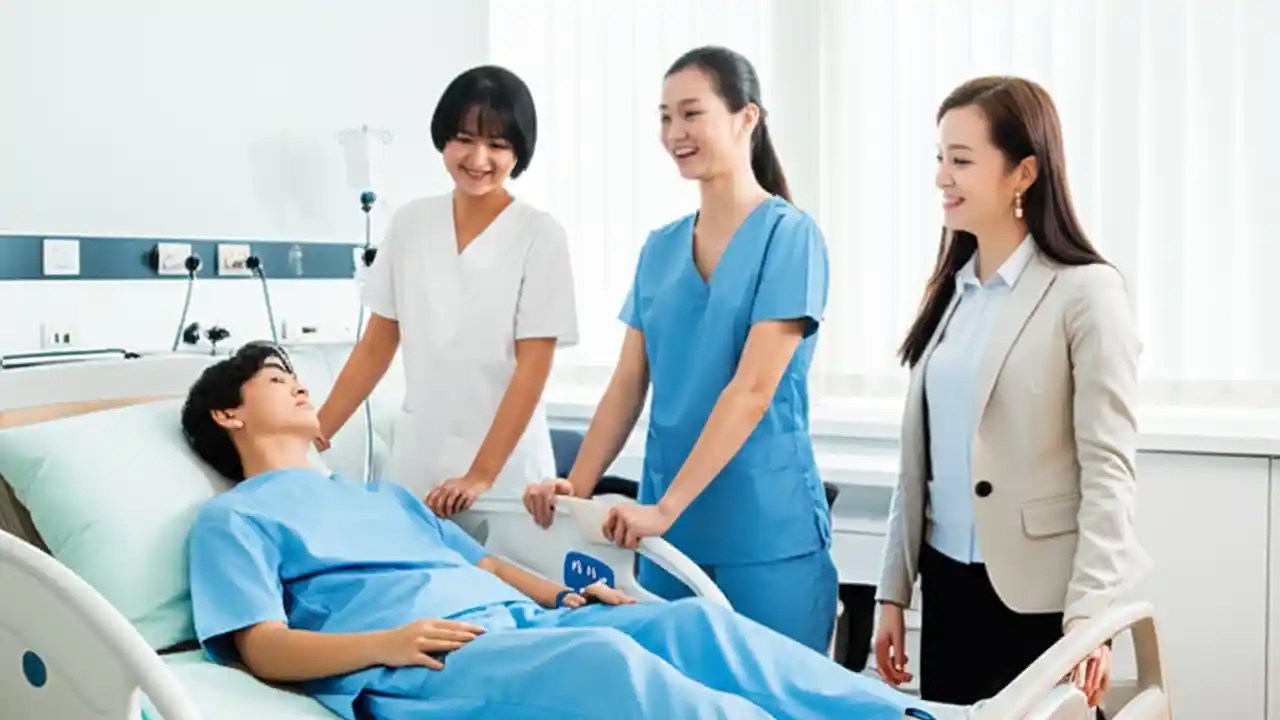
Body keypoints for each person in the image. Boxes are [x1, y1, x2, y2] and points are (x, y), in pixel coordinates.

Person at [179, 342, 932, 720]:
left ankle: (903, 716)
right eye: (277, 379)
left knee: (694, 624)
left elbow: (492, 567)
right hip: (425, 663)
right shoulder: (234, 520)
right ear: (228, 414)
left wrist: (568, 598)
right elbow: (261, 647)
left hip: (515, 624)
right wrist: (385, 645)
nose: (300, 382)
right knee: (608, 662)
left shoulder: (387, 500)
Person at [523, 45, 836, 654]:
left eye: (691, 114)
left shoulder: (790, 237)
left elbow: (752, 391)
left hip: (764, 532)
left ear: (747, 118)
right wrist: (578, 486)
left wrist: (665, 506)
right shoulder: (659, 249)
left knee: (780, 698)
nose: (675, 133)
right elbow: (627, 384)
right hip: (669, 538)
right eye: (665, 117)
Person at [872, 76, 1152, 712]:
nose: (942, 176)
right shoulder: (952, 294)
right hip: (947, 588)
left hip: (1044, 602)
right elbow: (919, 464)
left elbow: (1109, 469)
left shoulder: (1087, 291)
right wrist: (894, 592)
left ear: (1023, 173)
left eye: (962, 160)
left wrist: (1090, 617)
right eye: (939, 157)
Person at [316, 65, 577, 519]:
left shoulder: (539, 234)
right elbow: (376, 346)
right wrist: (314, 437)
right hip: (421, 461)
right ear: (443, 138)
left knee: (506, 581)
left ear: (519, 151)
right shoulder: (411, 224)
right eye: (465, 139)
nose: (479, 158)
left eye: (497, 145)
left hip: (508, 472)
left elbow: (533, 367)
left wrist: (481, 474)